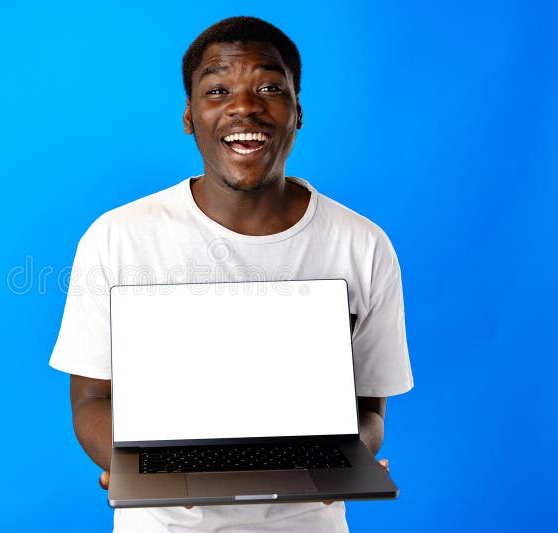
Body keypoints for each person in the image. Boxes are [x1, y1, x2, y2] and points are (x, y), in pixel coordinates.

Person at [49, 16, 413, 532]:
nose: (244, 106)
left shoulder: (363, 245)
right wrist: (127, 463)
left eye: (269, 87)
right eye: (217, 90)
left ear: (298, 112)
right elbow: (90, 399)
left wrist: (347, 455)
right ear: (190, 118)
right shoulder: (117, 238)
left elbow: (369, 411)